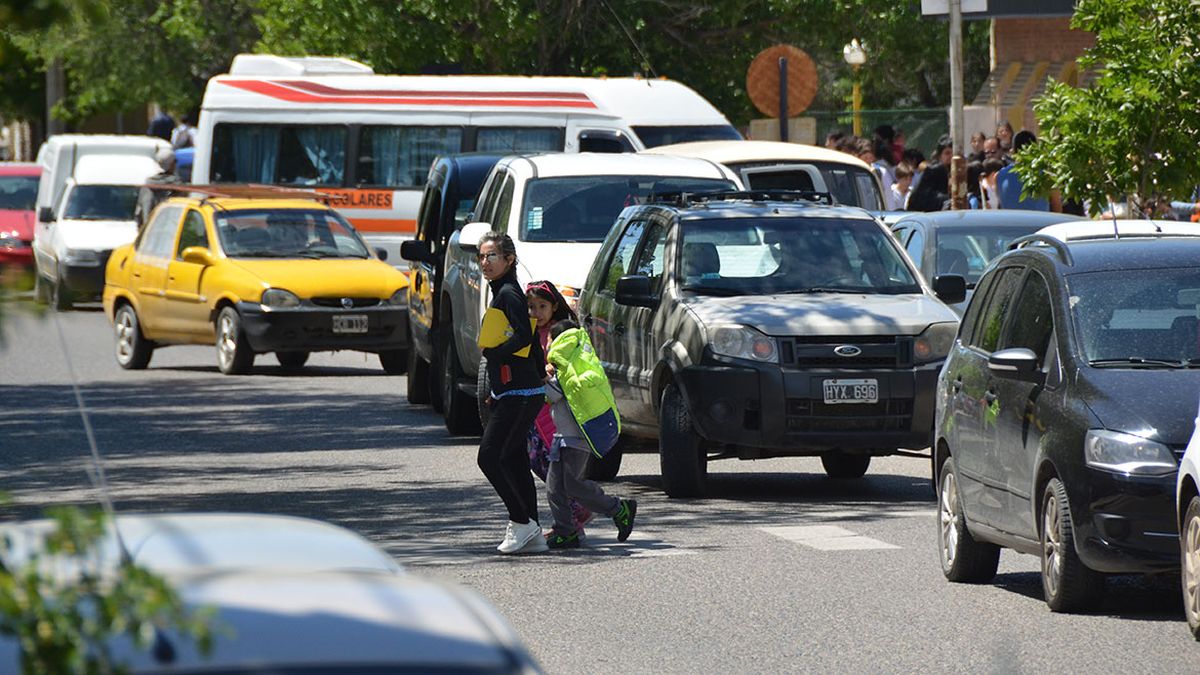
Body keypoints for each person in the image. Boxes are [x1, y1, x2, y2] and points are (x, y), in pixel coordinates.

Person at [476, 232, 549, 554]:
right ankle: (531, 533)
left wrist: (495, 354)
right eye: (481, 256)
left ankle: (521, 522)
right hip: (514, 390)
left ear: (509, 260)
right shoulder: (502, 292)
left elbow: (523, 335)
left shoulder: (508, 293)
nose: (484, 262)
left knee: (489, 457)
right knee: (514, 457)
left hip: (521, 391)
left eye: (491, 256)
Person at [542, 319, 636, 549]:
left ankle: (617, 508)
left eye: (550, 340)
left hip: (575, 440)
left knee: (572, 486)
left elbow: (551, 395)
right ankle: (566, 530)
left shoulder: (567, 369)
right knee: (555, 488)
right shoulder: (574, 364)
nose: (547, 344)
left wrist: (541, 377)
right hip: (564, 439)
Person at [524, 280, 592, 536]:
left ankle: (574, 516)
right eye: (531, 307)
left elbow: (558, 366)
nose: (536, 312)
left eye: (542, 306)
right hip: (536, 410)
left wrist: (547, 368)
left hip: (555, 413)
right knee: (538, 462)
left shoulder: (560, 334)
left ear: (554, 306)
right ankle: (574, 515)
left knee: (555, 471)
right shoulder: (528, 331)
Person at [134, 147, 181, 229]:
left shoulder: (147, 186)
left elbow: (139, 215)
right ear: (171, 164)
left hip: (150, 233)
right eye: (175, 161)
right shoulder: (178, 188)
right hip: (171, 234)